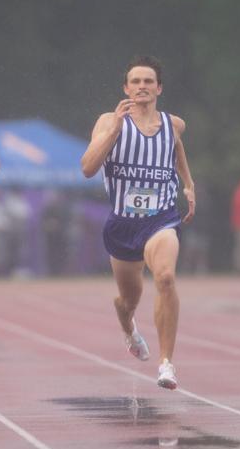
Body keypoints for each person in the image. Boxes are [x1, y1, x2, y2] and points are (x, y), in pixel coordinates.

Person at [80, 55, 196, 390]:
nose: (142, 87)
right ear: (126, 88)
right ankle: (128, 326)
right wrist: (114, 131)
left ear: (159, 88)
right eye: (135, 82)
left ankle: (166, 364)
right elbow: (87, 168)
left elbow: (176, 150)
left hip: (161, 218)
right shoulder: (108, 121)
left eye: (148, 81)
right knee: (128, 299)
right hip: (122, 223)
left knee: (166, 278)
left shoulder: (174, 124)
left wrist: (188, 183)